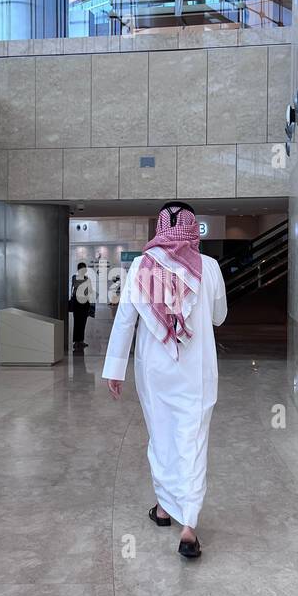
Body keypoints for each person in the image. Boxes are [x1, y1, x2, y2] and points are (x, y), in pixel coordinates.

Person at [102, 202, 227, 559]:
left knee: (161, 436)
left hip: (154, 369)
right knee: (192, 439)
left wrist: (114, 368)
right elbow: (219, 318)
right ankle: (187, 525)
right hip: (197, 370)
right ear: (193, 227)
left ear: (159, 227)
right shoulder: (209, 267)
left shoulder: (142, 265)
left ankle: (162, 508)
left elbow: (125, 319)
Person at [69, 261, 95, 351]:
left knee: (83, 322)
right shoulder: (74, 278)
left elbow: (90, 290)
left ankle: (81, 340)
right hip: (77, 302)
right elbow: (77, 287)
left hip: (85, 302)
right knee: (77, 321)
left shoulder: (87, 278)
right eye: (82, 269)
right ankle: (76, 341)